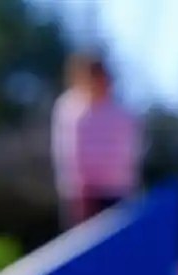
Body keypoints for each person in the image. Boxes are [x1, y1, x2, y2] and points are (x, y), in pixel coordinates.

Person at [51, 53, 141, 228]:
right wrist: (78, 186)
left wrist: (131, 187)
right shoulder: (70, 108)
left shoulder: (121, 113)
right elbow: (68, 152)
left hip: (116, 192)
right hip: (82, 196)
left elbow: (130, 153)